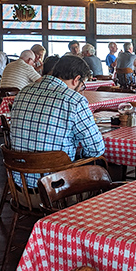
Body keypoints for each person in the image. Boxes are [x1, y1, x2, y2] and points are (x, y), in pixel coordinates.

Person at [10, 56, 105, 188]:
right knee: (100, 163)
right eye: (82, 85)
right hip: (56, 187)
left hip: (20, 184)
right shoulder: (74, 100)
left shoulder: (23, 92)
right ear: (76, 79)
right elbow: (96, 149)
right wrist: (80, 154)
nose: (81, 89)